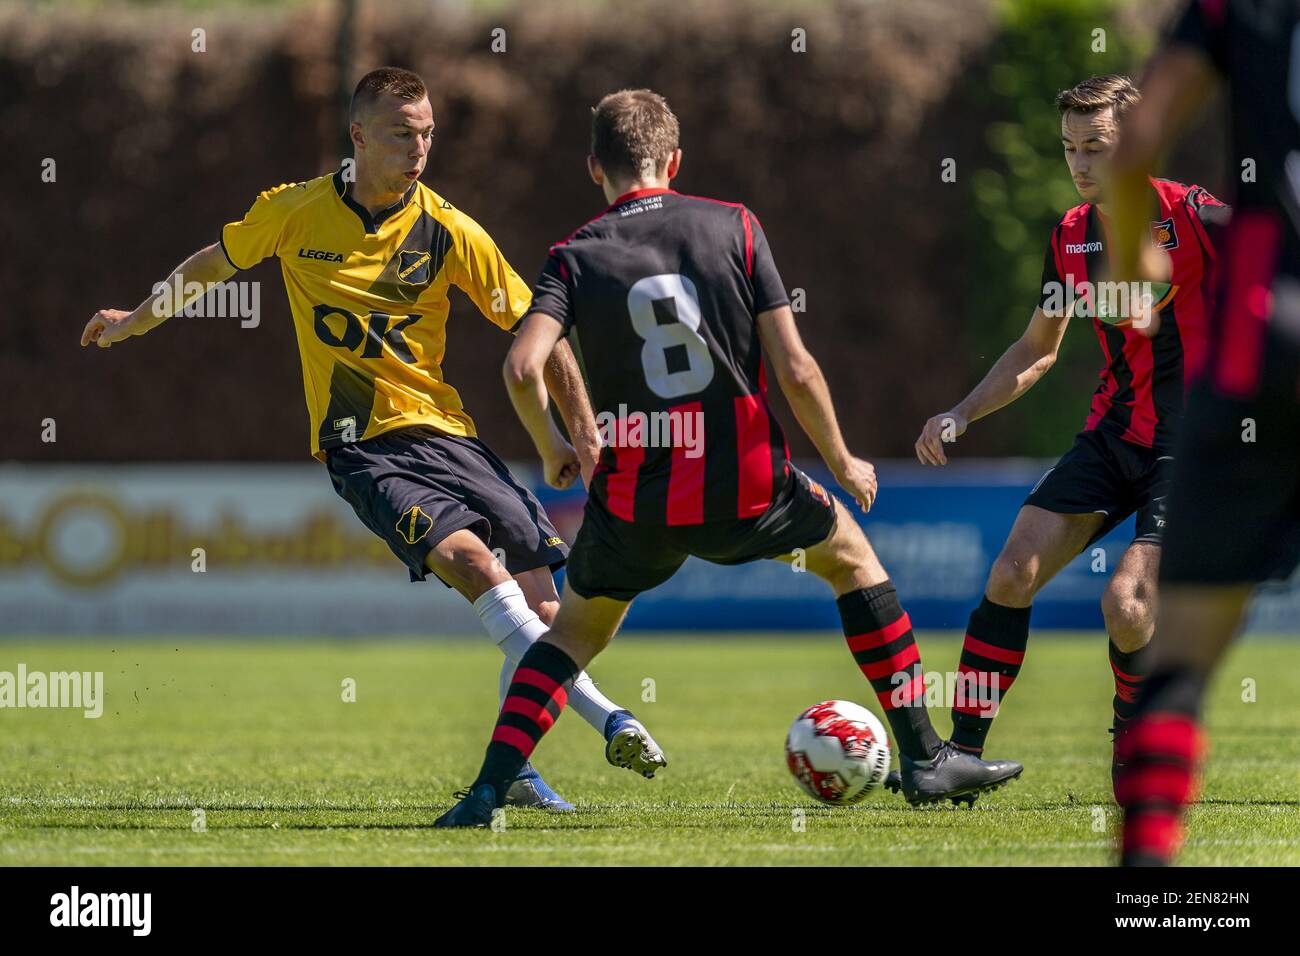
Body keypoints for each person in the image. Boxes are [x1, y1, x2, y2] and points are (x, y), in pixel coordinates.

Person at [79, 66, 665, 812]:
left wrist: (583, 436)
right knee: (473, 564)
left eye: (426, 133)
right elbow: (212, 265)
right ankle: (610, 717)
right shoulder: (293, 212)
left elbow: (539, 331)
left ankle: (513, 770)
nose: (419, 147)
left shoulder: (450, 228)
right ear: (357, 136)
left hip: (449, 435)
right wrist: (136, 319)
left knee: (548, 609)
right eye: (401, 133)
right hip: (362, 446)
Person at [435, 89, 1022, 828]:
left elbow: (522, 368)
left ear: (594, 168)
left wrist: (556, 445)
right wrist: (841, 461)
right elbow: (799, 370)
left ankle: (487, 790)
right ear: (674, 160)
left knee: (573, 636)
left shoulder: (573, 256)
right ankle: (929, 758)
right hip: (748, 486)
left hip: (637, 498)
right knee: (854, 564)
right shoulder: (733, 226)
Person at [913, 75, 1226, 795]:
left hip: (1193, 445)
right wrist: (961, 412)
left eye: (1098, 146)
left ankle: (1132, 741)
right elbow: (1037, 349)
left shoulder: (1195, 217)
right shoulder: (1072, 235)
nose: (1082, 164)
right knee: (1012, 571)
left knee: (1126, 604)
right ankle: (958, 756)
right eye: (1070, 149)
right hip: (1114, 436)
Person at [1107, 0, 1300, 865]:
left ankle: (1151, 891)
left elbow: (1139, 136)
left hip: (1268, 329)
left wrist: (1129, 260)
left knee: (1181, 654)